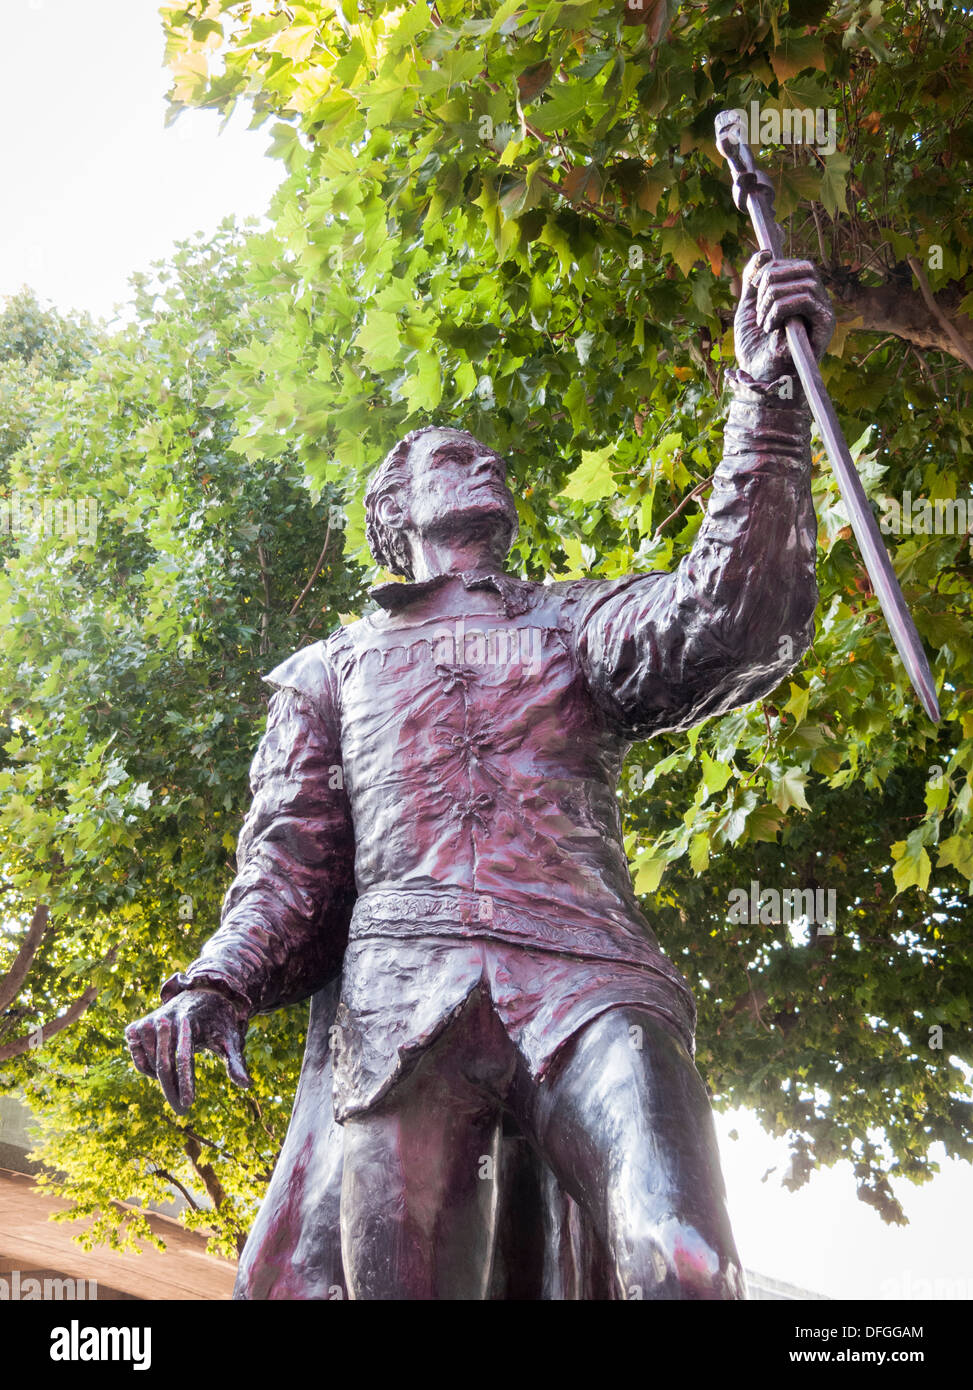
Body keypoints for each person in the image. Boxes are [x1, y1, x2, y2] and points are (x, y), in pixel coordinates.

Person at [126, 251, 834, 1299]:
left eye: (493, 460)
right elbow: (287, 865)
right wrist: (218, 979)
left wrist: (766, 402)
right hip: (401, 1000)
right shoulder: (326, 672)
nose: (486, 466)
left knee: (684, 1259)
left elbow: (729, 617)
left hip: (588, 977)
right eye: (455, 456)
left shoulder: (578, 620)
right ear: (393, 508)